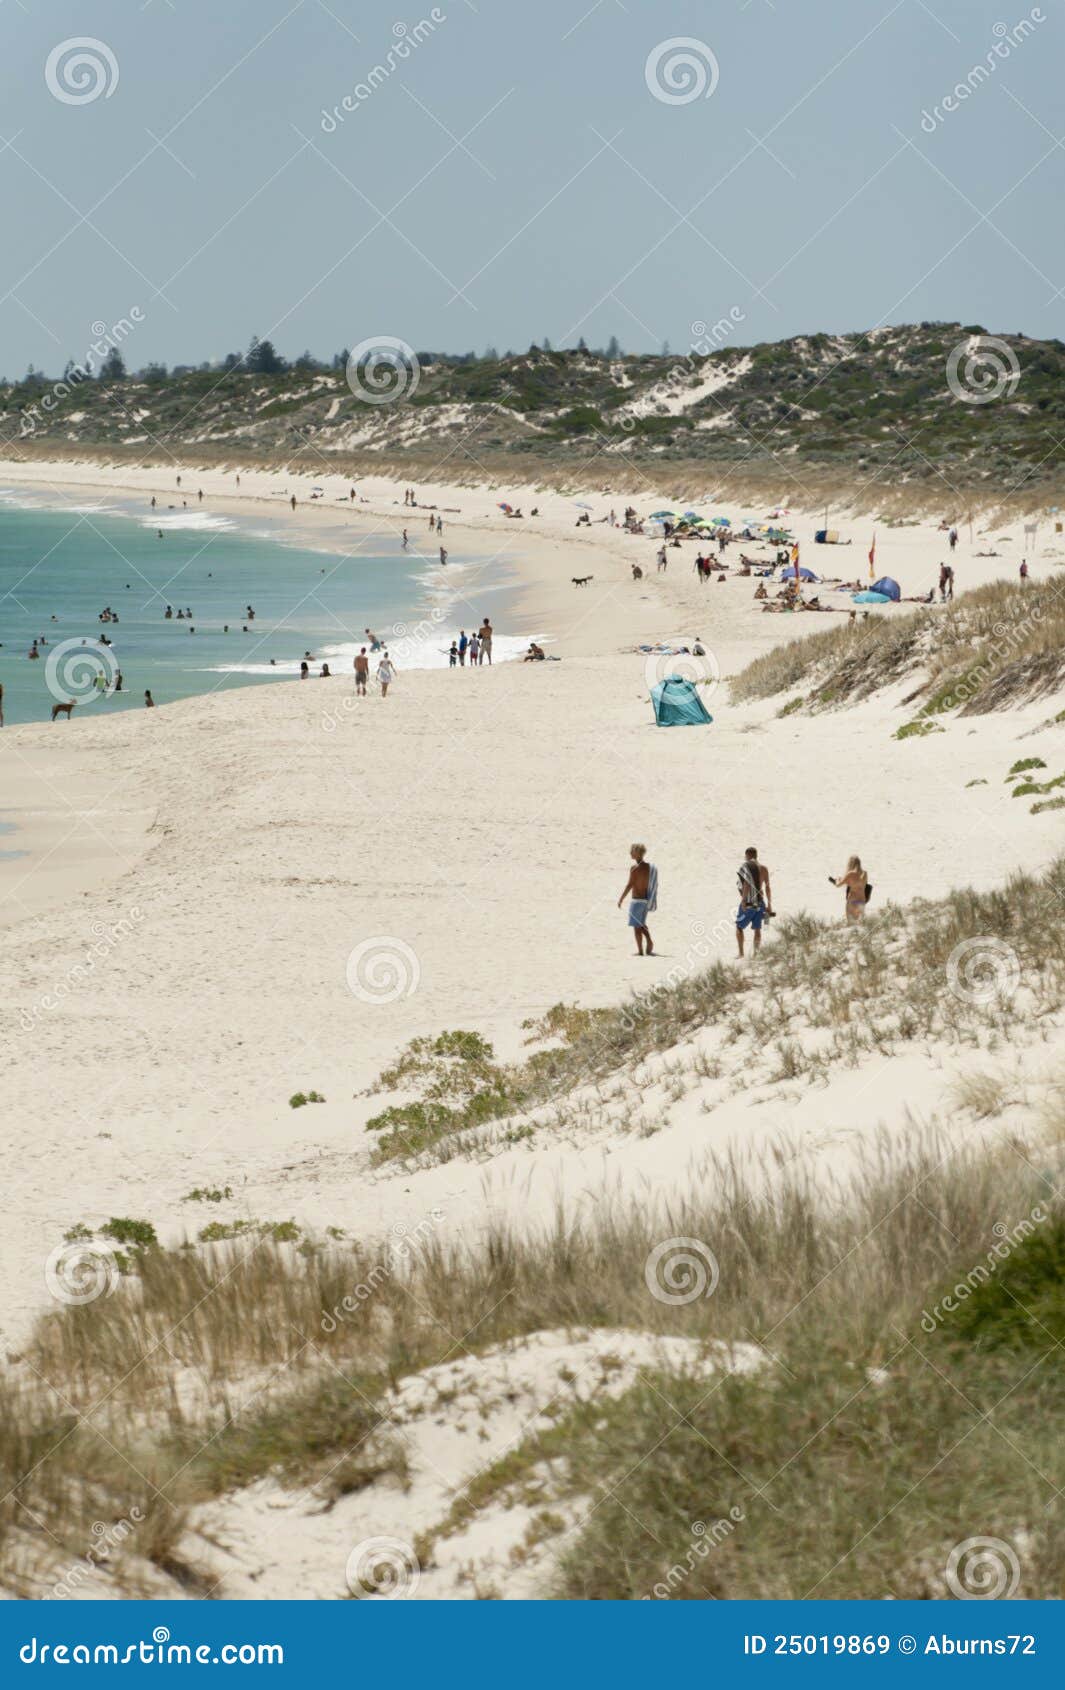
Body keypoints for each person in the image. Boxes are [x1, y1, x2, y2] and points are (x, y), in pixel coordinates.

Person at [617, 843, 657, 957]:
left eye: (632, 851)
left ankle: (640, 951)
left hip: (636, 901)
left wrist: (621, 898)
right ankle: (649, 940)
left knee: (636, 927)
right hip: (645, 900)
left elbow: (630, 885)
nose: (630, 853)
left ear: (637, 853)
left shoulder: (634, 868)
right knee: (642, 924)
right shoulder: (649, 867)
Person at [736, 846, 773, 958]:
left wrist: (743, 901)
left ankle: (741, 953)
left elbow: (746, 884)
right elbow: (767, 888)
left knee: (739, 927)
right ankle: (756, 953)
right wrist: (769, 905)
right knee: (757, 929)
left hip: (749, 903)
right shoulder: (764, 868)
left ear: (747, 855)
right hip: (761, 903)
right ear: (756, 855)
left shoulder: (746, 866)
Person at [831, 856, 868, 923]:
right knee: (860, 924)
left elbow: (838, 885)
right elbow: (860, 885)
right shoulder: (865, 873)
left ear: (851, 864)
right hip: (862, 902)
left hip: (852, 902)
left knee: (851, 924)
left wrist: (837, 880)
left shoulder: (850, 874)